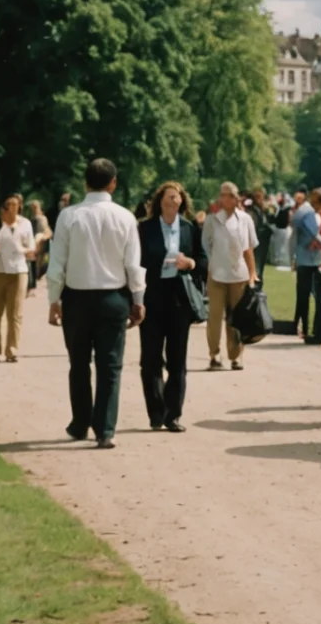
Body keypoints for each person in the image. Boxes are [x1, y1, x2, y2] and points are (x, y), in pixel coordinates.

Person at [45, 159, 146, 449]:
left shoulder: (69, 216)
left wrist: (54, 299)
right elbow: (133, 265)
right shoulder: (125, 217)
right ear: (113, 183)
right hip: (113, 296)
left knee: (78, 363)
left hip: (77, 296)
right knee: (110, 365)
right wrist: (138, 299)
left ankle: (80, 423)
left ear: (85, 182)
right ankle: (105, 428)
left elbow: (58, 262)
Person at [137, 181, 204, 432]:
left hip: (179, 300)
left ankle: (173, 414)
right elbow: (136, 261)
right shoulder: (145, 228)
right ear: (159, 201)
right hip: (153, 297)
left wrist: (190, 264)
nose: (172, 201)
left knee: (178, 360)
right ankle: (156, 412)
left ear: (182, 201)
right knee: (151, 359)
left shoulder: (189, 228)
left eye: (176, 197)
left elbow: (202, 260)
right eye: (167, 197)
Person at [202, 181, 259, 371]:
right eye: (223, 194)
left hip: (239, 275)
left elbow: (248, 248)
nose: (226, 198)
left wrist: (252, 273)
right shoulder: (212, 220)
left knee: (236, 318)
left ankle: (235, 355)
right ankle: (214, 354)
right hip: (217, 275)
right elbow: (206, 246)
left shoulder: (245, 220)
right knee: (215, 316)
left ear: (237, 198)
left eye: (230, 195)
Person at [0, 194, 37, 363]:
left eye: (15, 205)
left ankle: (11, 351)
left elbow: (31, 245)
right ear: (3, 208)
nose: (12, 208)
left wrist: (24, 249)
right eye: (9, 205)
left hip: (18, 272)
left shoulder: (25, 224)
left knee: (15, 314)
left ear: (20, 207)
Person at [292, 187, 321, 344]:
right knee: (313, 296)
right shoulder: (309, 214)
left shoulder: (303, 210)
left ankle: (300, 326)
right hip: (310, 260)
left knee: (302, 294)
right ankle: (308, 329)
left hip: (303, 257)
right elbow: (314, 233)